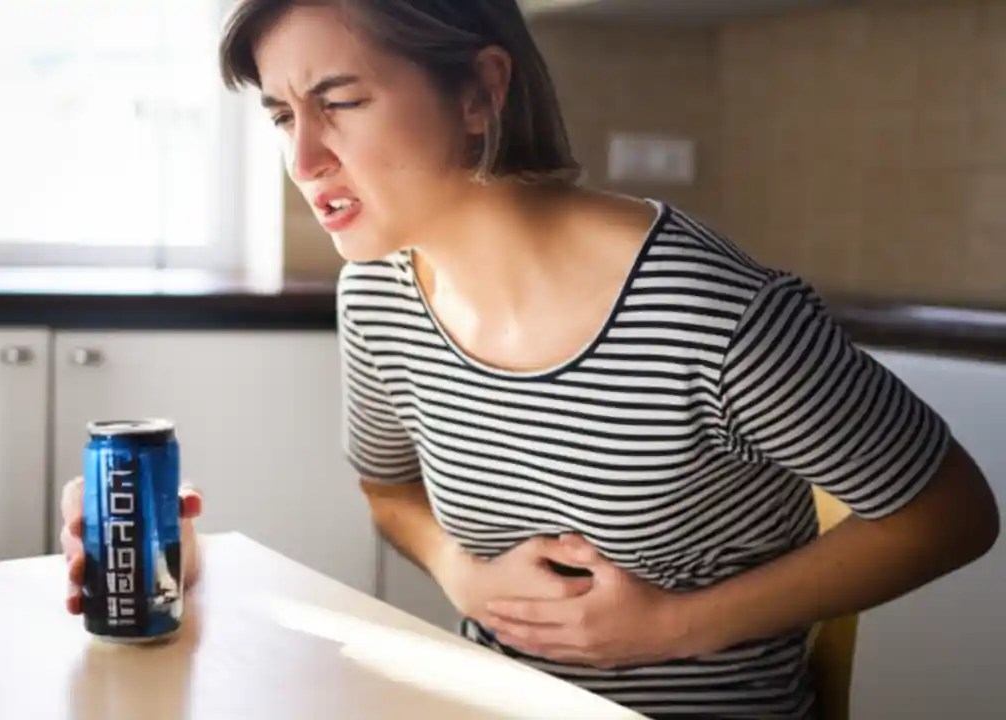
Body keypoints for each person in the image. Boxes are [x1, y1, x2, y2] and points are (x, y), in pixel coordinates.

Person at [61, 1, 1000, 717]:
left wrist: (673, 626)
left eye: (339, 101)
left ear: (480, 92)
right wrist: (464, 576)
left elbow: (952, 514)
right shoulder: (381, 294)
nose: (304, 158)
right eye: (279, 116)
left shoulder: (713, 312)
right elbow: (391, 493)